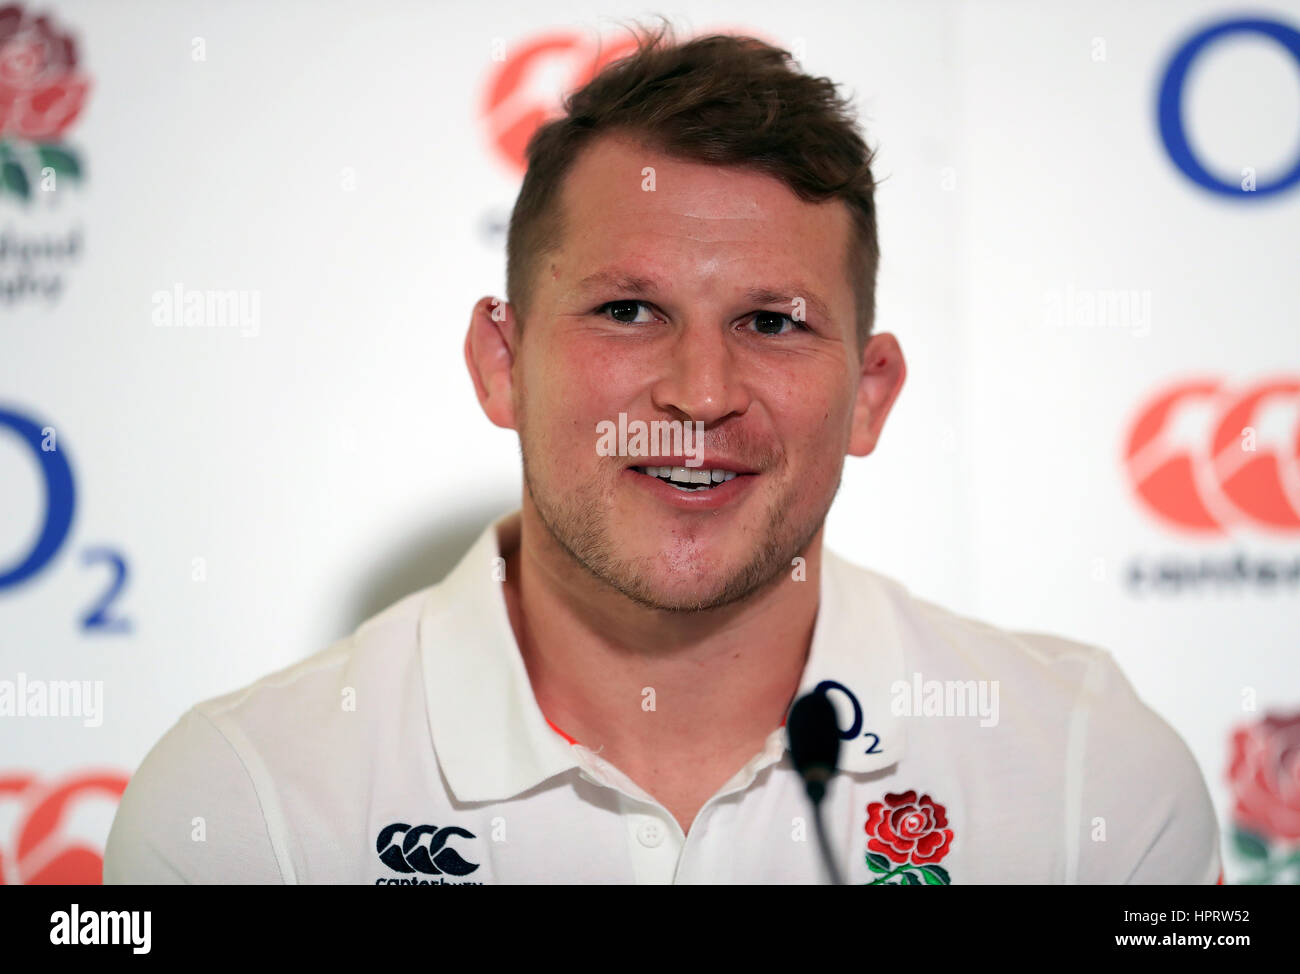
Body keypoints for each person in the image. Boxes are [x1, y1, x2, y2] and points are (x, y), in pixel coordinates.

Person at [104, 23, 1221, 884]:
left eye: (772, 322)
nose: (699, 393)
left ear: (870, 394)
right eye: (629, 309)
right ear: (503, 361)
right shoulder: (239, 802)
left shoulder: (1092, 774)